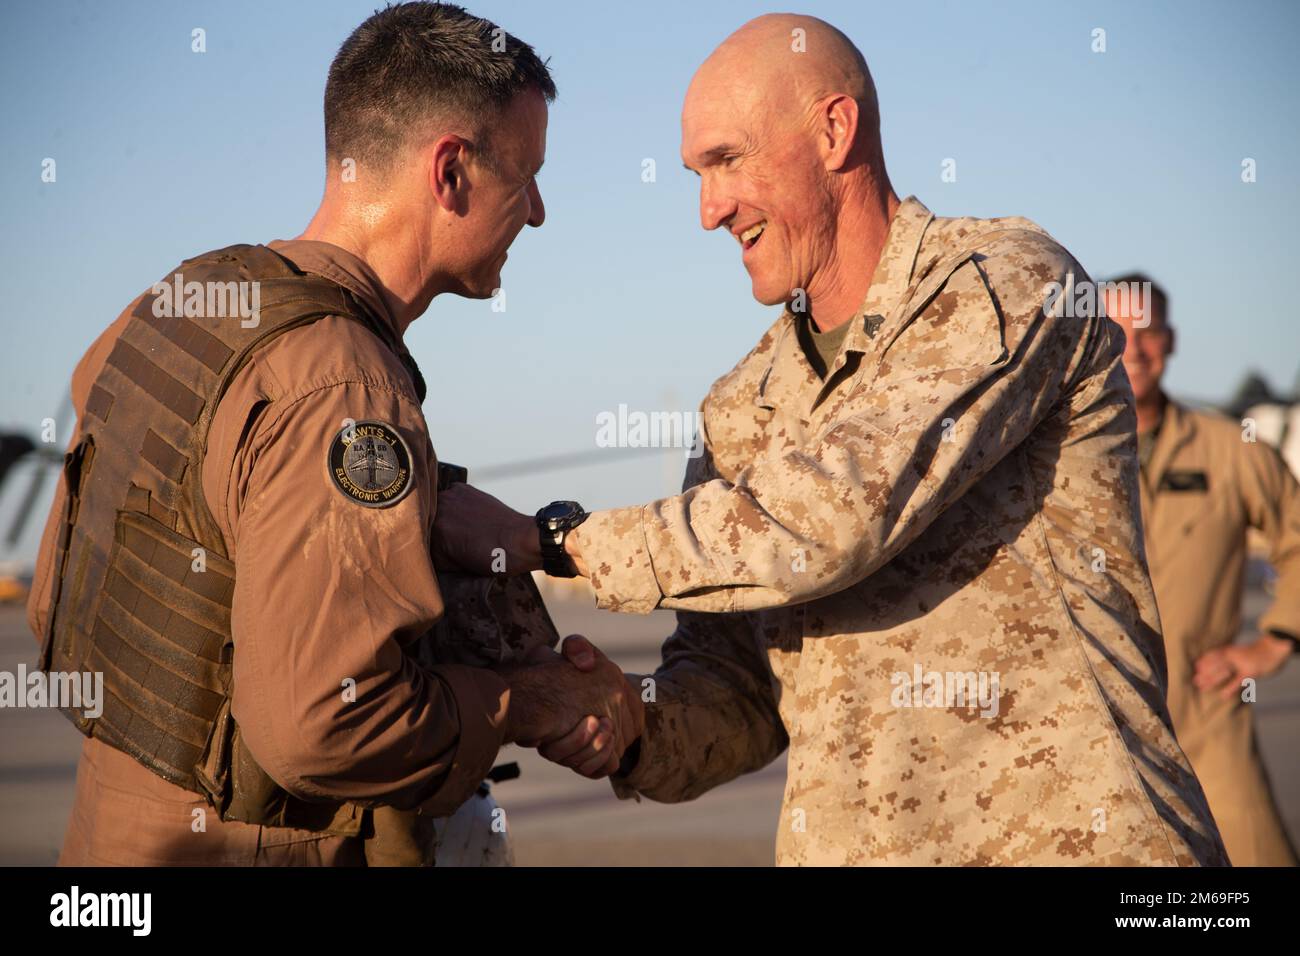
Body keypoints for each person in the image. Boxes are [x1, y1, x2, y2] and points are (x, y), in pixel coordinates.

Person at [436, 13, 1228, 865]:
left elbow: (829, 516)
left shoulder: (1005, 280)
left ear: (834, 130)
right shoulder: (742, 408)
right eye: (696, 175)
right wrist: (626, 725)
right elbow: (736, 689)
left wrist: (552, 541)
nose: (708, 211)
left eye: (727, 160)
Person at [26, 1, 639, 866]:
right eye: (525, 175)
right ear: (451, 172)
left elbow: (66, 596)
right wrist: (519, 703)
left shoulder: (175, 307)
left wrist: (449, 519)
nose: (537, 211)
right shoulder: (347, 388)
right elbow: (324, 726)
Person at [1104, 275, 1299, 867]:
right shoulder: (1052, 456)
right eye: (1117, 331)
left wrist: (1273, 642)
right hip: (1098, 729)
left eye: (1149, 332)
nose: (1134, 349)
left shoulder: (1230, 449)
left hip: (1208, 723)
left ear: (1172, 340)